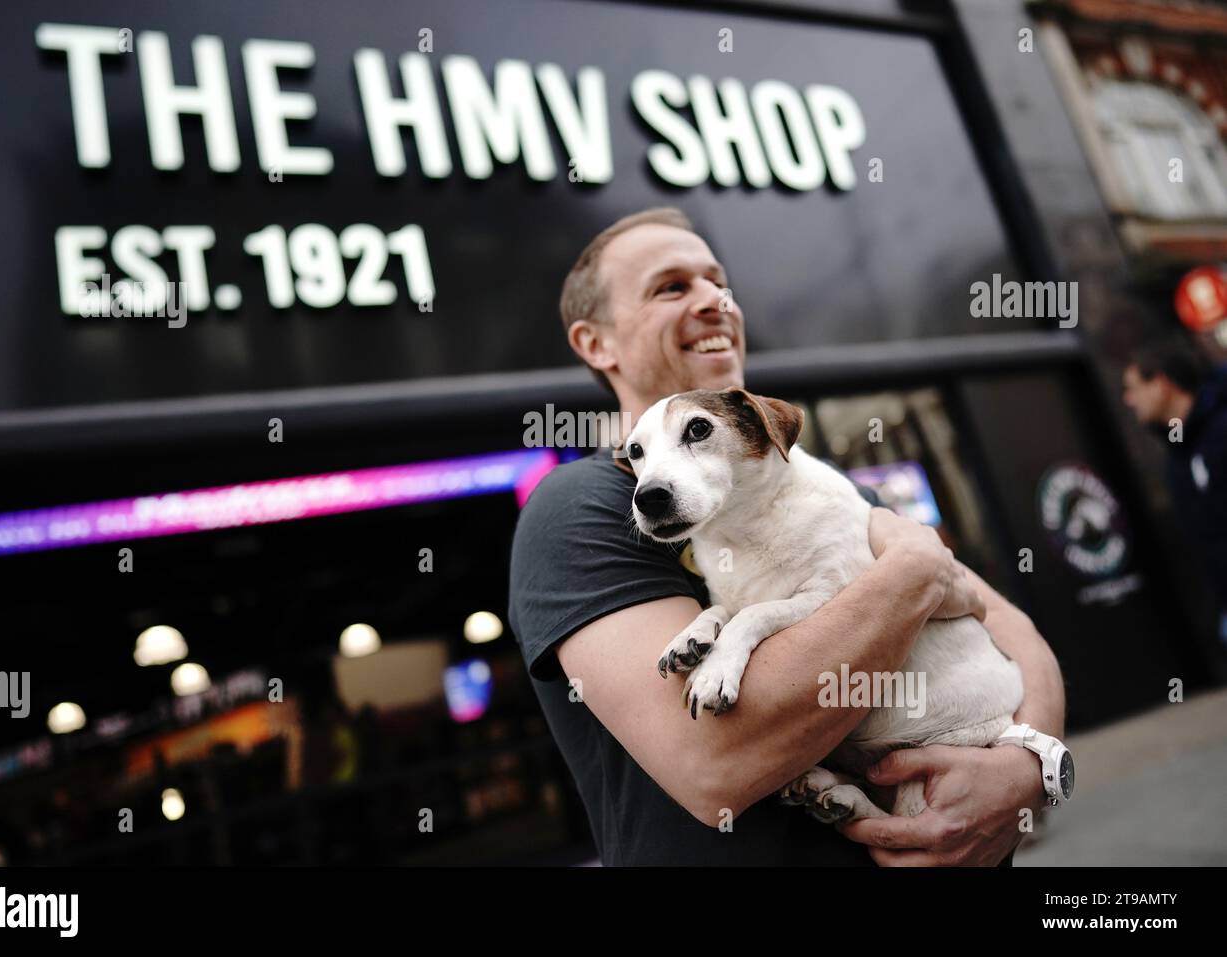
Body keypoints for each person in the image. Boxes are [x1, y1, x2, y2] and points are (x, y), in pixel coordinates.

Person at [508, 207, 1066, 866]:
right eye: (672, 287)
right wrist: (910, 572)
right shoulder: (580, 508)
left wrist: (1033, 763)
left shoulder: (819, 488)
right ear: (596, 343)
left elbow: (1009, 625)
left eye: (720, 284)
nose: (714, 301)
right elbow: (715, 763)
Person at [1123, 338, 1227, 643]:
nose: (1129, 400)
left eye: (1133, 387)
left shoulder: (1220, 432)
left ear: (1162, 384)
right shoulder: (1177, 456)